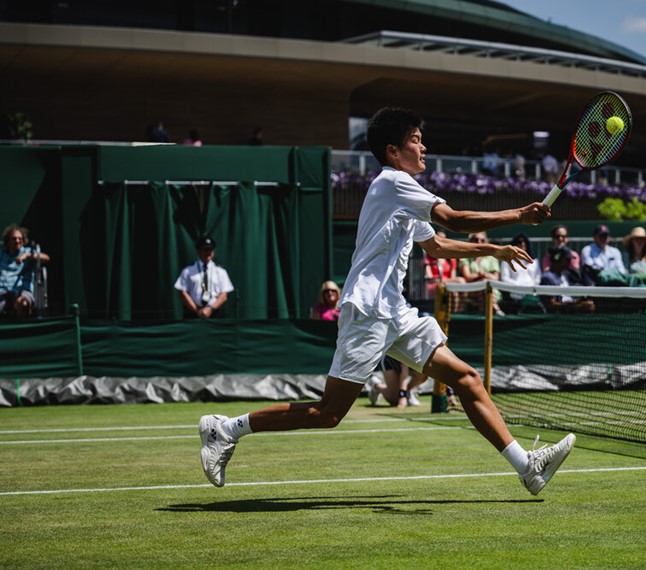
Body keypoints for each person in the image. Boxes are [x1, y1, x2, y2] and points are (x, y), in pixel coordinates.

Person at [198, 107, 574, 495]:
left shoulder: (406, 194)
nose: (424, 147)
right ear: (393, 151)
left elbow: (438, 245)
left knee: (465, 378)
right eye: (416, 140)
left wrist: (495, 250)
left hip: (395, 311)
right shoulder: (393, 182)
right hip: (367, 309)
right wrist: (518, 214)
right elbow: (456, 219)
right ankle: (225, 429)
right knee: (327, 414)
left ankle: (527, 467)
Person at [174, 236, 235, 318]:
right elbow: (182, 293)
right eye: (205, 250)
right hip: (193, 314)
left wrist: (210, 309)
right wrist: (197, 310)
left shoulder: (220, 271)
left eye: (210, 250)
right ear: (198, 252)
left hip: (214, 313)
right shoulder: (188, 271)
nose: (208, 253)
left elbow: (224, 295)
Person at [1, 224, 49, 318]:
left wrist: (27, 256)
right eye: (14, 239)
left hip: (22, 291)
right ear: (8, 241)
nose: (17, 241)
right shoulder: (1, 254)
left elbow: (46, 258)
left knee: (22, 304)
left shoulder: (27, 252)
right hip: (3, 291)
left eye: (20, 238)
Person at [539, 246, 594, 313]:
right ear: (558, 259)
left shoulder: (566, 274)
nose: (569, 262)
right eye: (567, 259)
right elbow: (550, 305)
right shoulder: (547, 278)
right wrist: (576, 306)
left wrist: (579, 303)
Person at [460, 231, 504, 314]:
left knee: (485, 286)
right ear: (471, 241)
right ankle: (497, 310)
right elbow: (467, 277)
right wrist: (482, 275)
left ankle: (493, 310)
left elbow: (496, 277)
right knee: (484, 284)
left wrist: (482, 275)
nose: (479, 242)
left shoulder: (491, 257)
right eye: (475, 239)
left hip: (490, 292)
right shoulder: (464, 257)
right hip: (471, 290)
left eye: (482, 240)